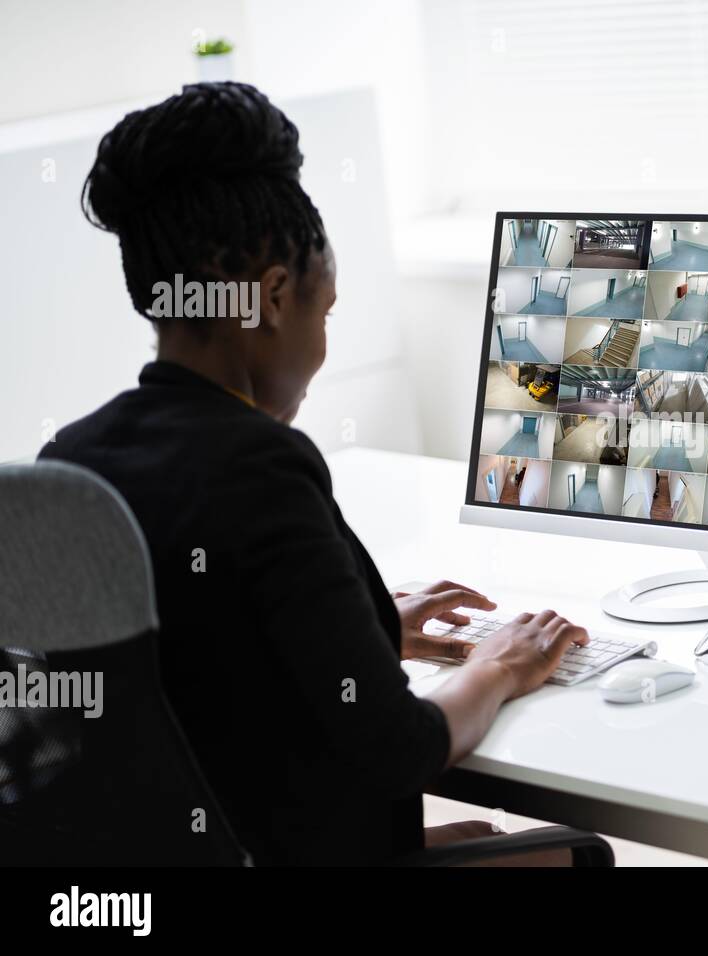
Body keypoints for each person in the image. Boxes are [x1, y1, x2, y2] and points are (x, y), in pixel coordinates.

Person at [39, 82, 589, 865]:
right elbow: (401, 749)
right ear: (269, 300)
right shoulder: (259, 464)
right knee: (571, 853)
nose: (321, 346)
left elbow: (184, 678)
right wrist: (501, 665)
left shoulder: (72, 462)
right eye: (322, 312)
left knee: (483, 843)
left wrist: (361, 634)